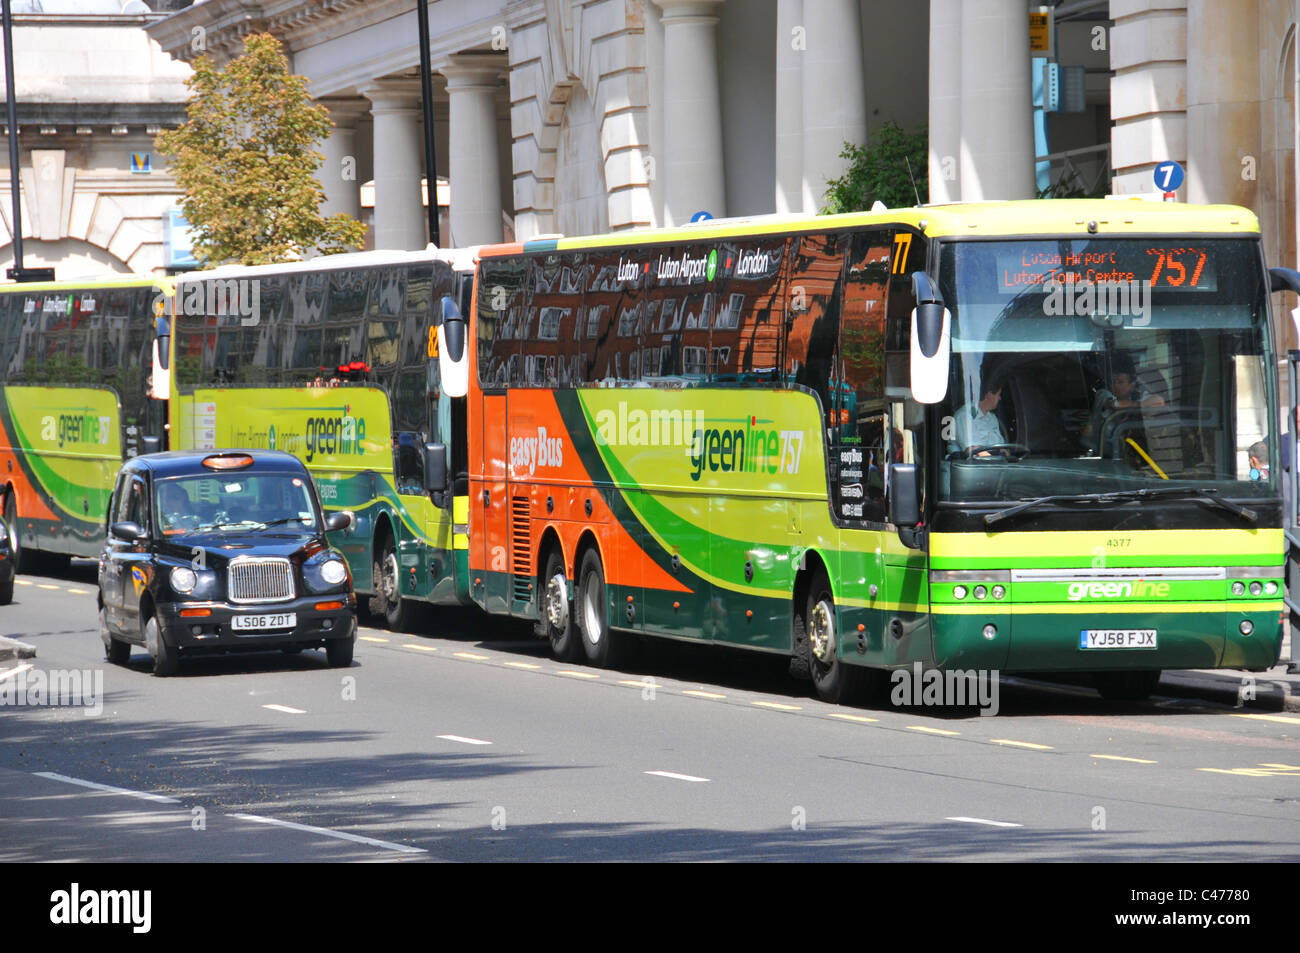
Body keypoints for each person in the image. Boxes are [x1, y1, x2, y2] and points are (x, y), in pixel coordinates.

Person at [1086, 353, 1165, 455]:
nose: (1115, 385)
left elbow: (1158, 401)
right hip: (1098, 453)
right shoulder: (1103, 394)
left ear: (1132, 385)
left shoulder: (1137, 397)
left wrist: (1137, 405)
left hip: (1123, 454)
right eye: (1113, 381)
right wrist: (1140, 405)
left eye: (1120, 382)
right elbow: (1115, 405)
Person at [949, 379, 1006, 456]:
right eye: (998, 395)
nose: (1000, 398)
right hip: (973, 466)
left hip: (994, 464)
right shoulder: (964, 416)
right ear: (989, 395)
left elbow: (1003, 449)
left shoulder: (993, 418)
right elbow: (972, 451)